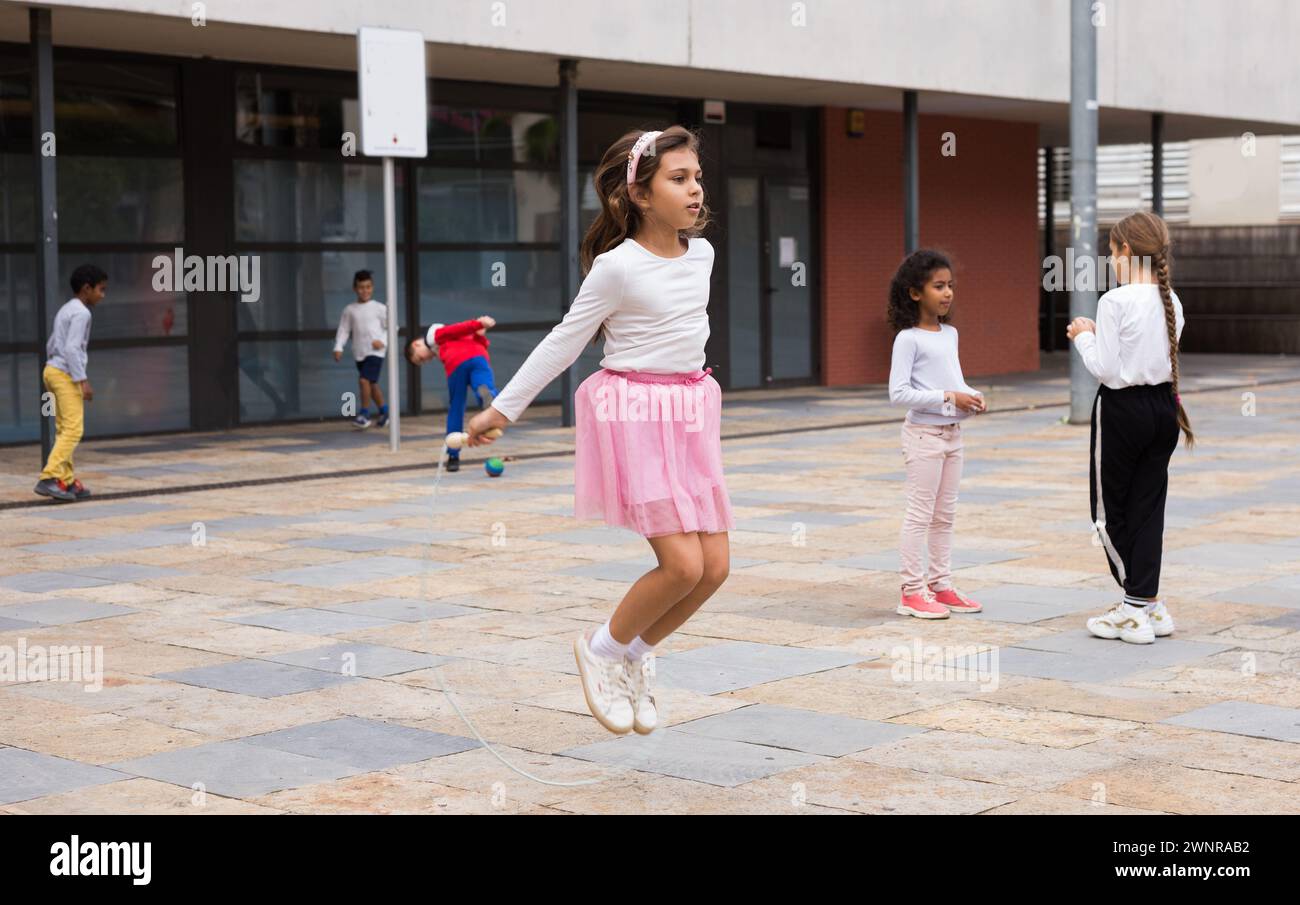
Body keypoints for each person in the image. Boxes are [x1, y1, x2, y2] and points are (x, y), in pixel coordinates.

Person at [464, 127, 733, 735]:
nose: (695, 189)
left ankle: (635, 654)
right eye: (678, 179)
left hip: (690, 415)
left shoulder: (703, 255)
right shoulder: (617, 267)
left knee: (714, 567)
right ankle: (600, 651)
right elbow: (565, 341)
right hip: (636, 416)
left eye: (697, 177)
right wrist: (503, 410)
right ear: (639, 194)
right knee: (682, 566)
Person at [1069, 210, 1190, 644]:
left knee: (1108, 512)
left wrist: (1083, 335)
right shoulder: (1171, 299)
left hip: (1122, 410)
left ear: (1125, 250)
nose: (1110, 260)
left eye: (1111, 252)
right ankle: (1149, 604)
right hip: (1164, 408)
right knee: (1149, 508)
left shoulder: (1114, 301)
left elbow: (1106, 368)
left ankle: (1135, 605)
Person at [887, 249, 986, 619]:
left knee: (945, 515)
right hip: (923, 437)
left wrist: (970, 395)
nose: (947, 293)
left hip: (952, 435)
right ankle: (912, 591)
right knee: (920, 514)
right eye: (938, 286)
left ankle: (941, 585)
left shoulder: (950, 334)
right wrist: (948, 397)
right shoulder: (908, 339)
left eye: (950, 286)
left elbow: (953, 381)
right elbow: (899, 394)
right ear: (915, 293)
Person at [35, 264, 107, 503]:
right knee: (74, 430)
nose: (103, 295)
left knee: (63, 429)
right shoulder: (82, 313)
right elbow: (72, 348)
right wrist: (82, 380)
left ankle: (66, 480)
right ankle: (49, 476)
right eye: (101, 289)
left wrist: (54, 367)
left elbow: (52, 343)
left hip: (52, 371)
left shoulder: (66, 309)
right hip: (64, 375)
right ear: (87, 288)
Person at [333, 269, 389, 429]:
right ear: (355, 288)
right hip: (359, 352)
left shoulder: (379, 308)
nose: (365, 291)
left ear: (372, 287)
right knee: (371, 384)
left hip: (376, 352)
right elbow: (344, 330)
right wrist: (338, 347)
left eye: (368, 287)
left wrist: (382, 341)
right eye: (361, 287)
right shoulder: (349, 310)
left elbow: (393, 327)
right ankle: (385, 412)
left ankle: (364, 414)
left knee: (364, 380)